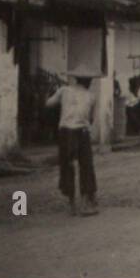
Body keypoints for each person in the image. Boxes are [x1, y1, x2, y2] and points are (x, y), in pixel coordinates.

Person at [45, 71, 99, 216]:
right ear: (88, 81)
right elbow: (92, 119)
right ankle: (86, 201)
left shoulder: (64, 90)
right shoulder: (91, 96)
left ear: (76, 79)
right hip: (82, 132)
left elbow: (48, 104)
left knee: (68, 165)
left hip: (66, 132)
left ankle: (72, 204)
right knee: (86, 165)